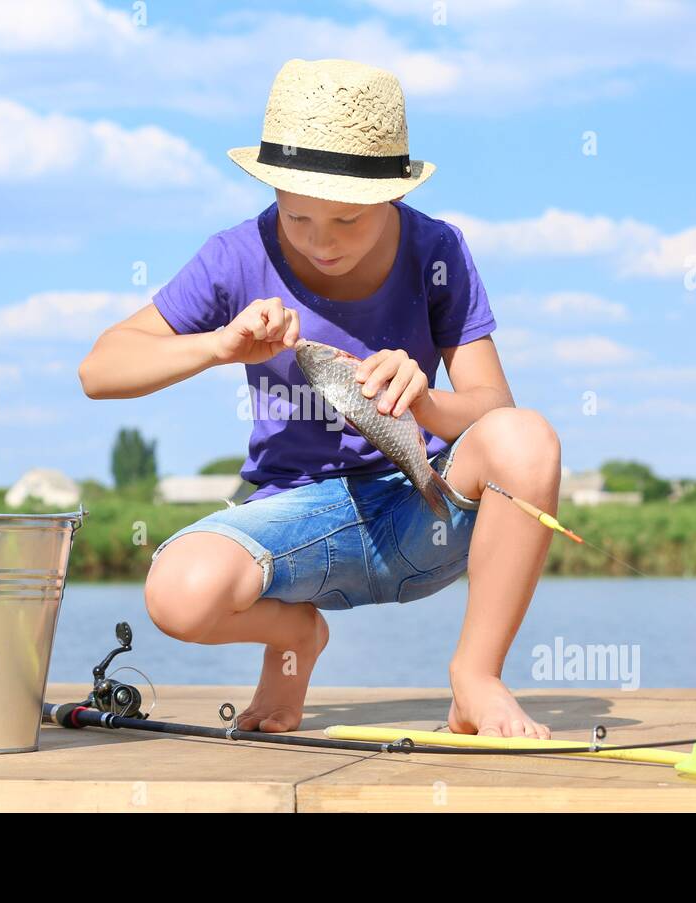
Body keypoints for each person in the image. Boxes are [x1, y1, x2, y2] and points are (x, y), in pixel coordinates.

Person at [79, 58, 560, 739]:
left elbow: (494, 409)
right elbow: (99, 369)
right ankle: (295, 637)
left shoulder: (436, 250)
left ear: (393, 195)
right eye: (297, 215)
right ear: (272, 186)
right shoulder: (235, 256)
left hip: (417, 509)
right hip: (291, 525)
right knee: (177, 593)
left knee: (529, 437)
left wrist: (426, 405)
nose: (320, 242)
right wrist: (218, 345)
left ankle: (475, 677)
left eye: (347, 220)